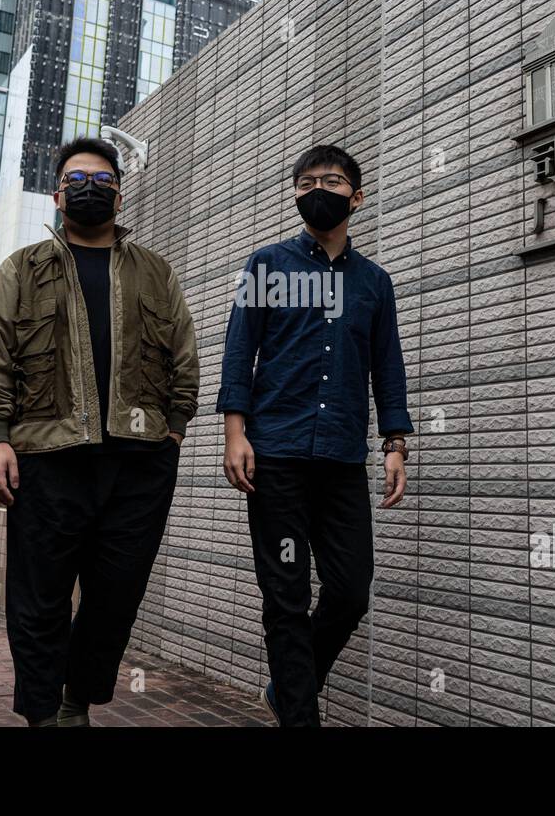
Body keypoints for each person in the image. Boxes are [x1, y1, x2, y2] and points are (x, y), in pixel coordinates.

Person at [0, 136, 198, 727]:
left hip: (140, 461)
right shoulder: (23, 268)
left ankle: (78, 699)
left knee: (116, 597)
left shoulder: (155, 272)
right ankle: (43, 714)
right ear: (57, 194)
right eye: (76, 179)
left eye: (101, 178)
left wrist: (173, 431)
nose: (89, 187)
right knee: (38, 597)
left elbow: (183, 355)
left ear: (120, 190)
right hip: (46, 457)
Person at [217, 144, 412, 727]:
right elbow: (239, 350)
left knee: (350, 590)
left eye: (330, 180)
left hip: (341, 458)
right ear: (296, 195)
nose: (317, 190)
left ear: (357, 194)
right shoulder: (266, 266)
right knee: (286, 597)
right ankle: (301, 717)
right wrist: (234, 433)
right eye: (305, 183)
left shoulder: (376, 283)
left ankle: (286, 689)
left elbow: (388, 366)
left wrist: (395, 444)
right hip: (274, 454)